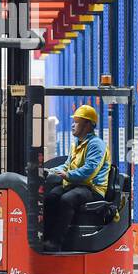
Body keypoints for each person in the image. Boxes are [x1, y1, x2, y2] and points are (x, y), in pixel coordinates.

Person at [39, 104, 110, 250]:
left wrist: (67, 175)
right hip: (77, 185)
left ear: (88, 125)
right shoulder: (77, 144)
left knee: (67, 199)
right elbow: (67, 166)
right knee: (51, 196)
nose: (73, 125)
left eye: (77, 121)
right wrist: (50, 171)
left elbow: (89, 171)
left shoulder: (96, 145)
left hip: (93, 189)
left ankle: (56, 242)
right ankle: (44, 237)